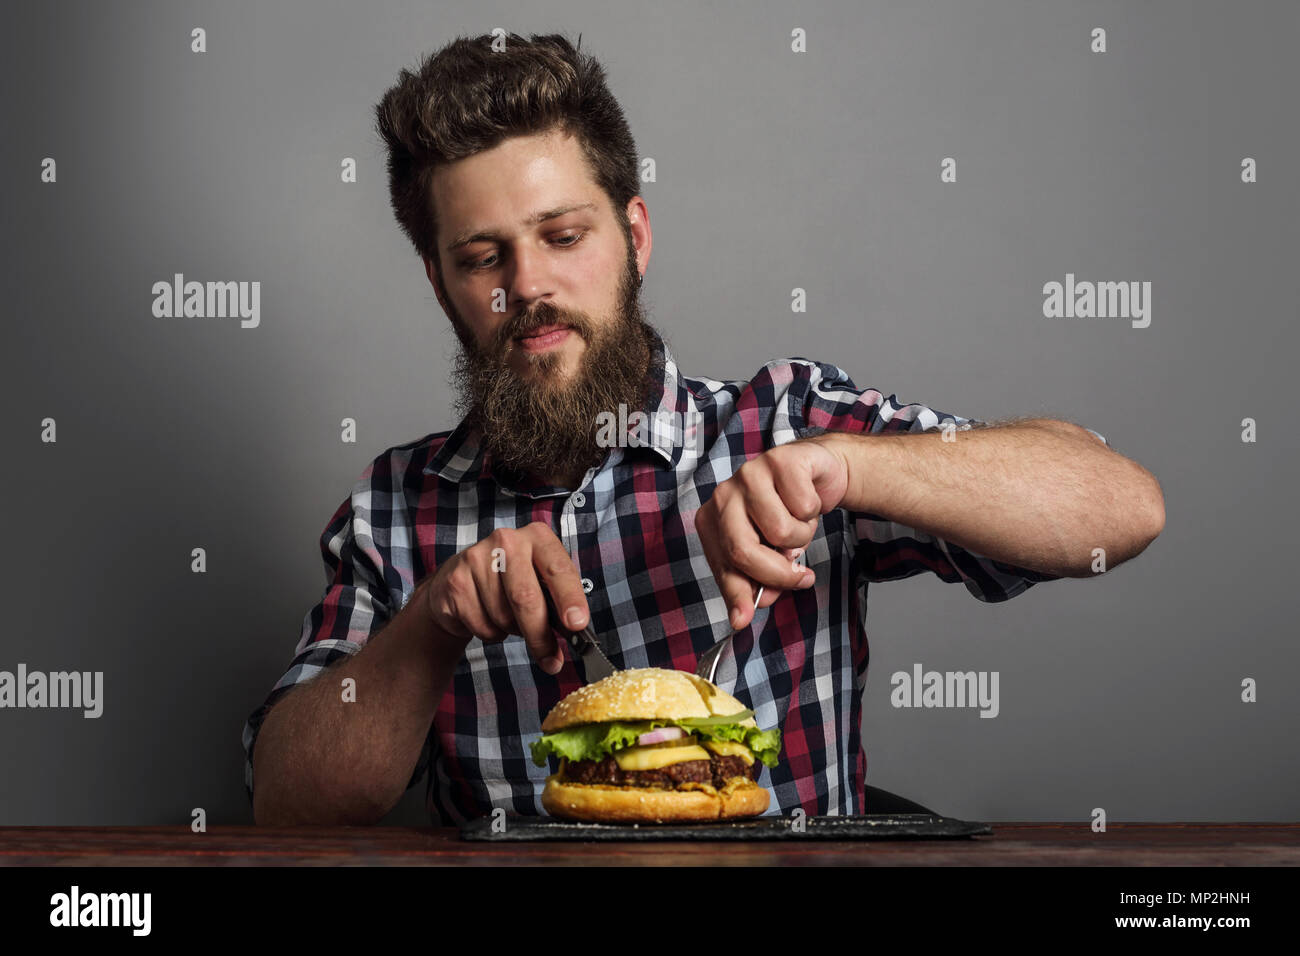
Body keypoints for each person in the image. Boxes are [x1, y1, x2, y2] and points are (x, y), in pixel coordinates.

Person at [243, 32, 1165, 826]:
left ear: (635, 238)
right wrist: (434, 623)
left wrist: (848, 468)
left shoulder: (783, 422)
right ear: (444, 285)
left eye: (564, 237)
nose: (527, 286)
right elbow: (287, 801)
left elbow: (1120, 507)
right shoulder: (397, 508)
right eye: (483, 257)